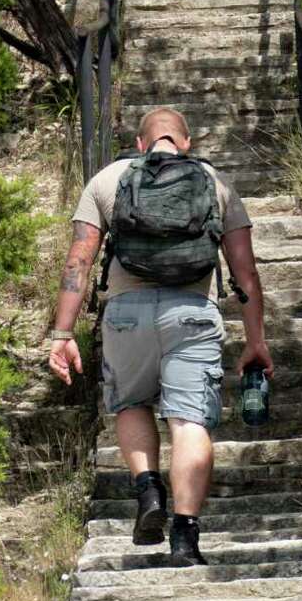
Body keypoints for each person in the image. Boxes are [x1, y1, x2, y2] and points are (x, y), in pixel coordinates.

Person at [48, 106, 273, 566]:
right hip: (192, 312)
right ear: (187, 143)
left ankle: (149, 490)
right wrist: (256, 342)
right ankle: (186, 538)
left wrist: (62, 332)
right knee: (190, 422)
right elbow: (245, 273)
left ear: (140, 144)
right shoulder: (216, 183)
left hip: (125, 316)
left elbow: (79, 262)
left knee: (132, 403)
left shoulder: (107, 181)